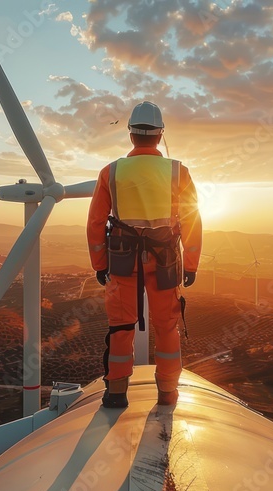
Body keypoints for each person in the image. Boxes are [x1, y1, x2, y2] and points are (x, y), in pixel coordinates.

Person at [87, 101, 202, 408]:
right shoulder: (178, 171)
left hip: (122, 260)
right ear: (160, 135)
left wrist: (99, 264)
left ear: (130, 134)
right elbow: (192, 219)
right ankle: (167, 391)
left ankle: (116, 392)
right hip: (165, 260)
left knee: (121, 326)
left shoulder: (111, 172)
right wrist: (191, 264)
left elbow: (96, 222)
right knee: (166, 327)